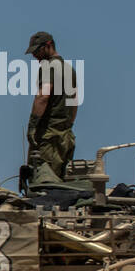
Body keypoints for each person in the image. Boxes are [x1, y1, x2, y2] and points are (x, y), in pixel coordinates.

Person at [24, 31, 78, 183]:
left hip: (48, 137)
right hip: (65, 138)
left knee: (43, 183)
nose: (34, 55)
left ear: (48, 46)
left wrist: (32, 127)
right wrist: (68, 126)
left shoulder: (49, 67)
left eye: (37, 51)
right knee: (61, 185)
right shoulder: (69, 69)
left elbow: (43, 96)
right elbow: (74, 102)